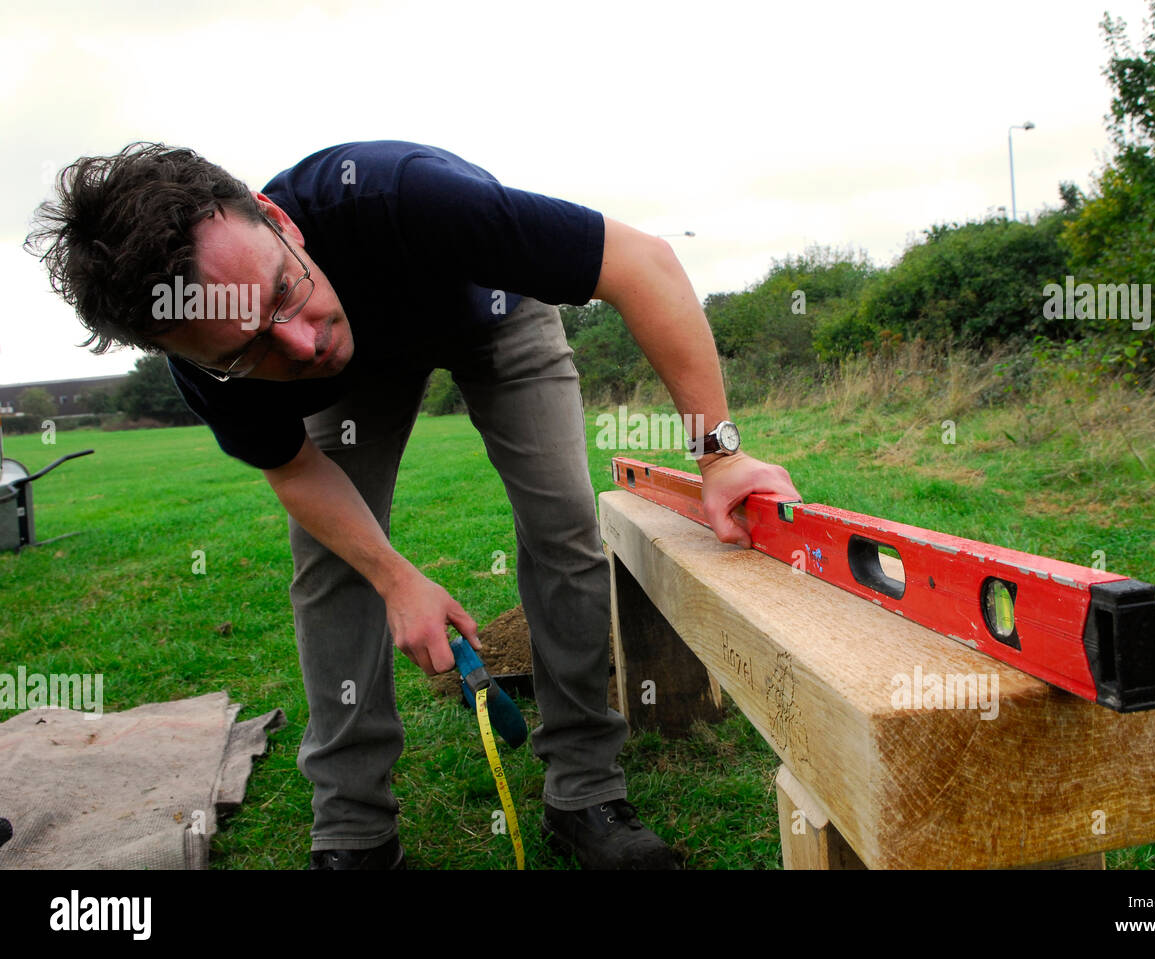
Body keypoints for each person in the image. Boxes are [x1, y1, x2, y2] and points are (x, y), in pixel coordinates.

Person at [26, 140, 800, 870]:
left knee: (561, 525)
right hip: (360, 389)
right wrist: (397, 579)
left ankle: (585, 791)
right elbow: (296, 469)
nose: (301, 344)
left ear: (282, 222)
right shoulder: (208, 365)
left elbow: (642, 263)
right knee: (334, 565)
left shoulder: (411, 197)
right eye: (248, 349)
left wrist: (719, 453)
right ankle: (355, 825)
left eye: (284, 291)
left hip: (492, 316)